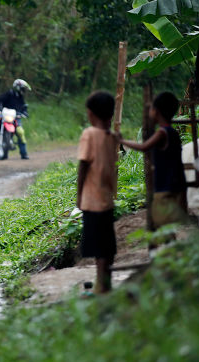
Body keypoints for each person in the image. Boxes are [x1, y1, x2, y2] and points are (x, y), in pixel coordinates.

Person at [117, 91, 188, 232]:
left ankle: (169, 248)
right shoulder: (172, 132)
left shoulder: (162, 133)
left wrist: (121, 140)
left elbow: (144, 147)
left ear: (156, 111)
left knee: (163, 223)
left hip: (165, 185)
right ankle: (170, 246)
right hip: (176, 183)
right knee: (168, 224)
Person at [77, 91, 118, 294]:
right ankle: (106, 282)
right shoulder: (112, 137)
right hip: (107, 200)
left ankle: (101, 285)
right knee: (107, 245)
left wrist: (78, 194)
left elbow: (83, 164)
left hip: (92, 200)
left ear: (91, 114)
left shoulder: (89, 134)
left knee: (98, 247)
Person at [0, 79, 31, 159]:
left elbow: (23, 107)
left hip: (15, 117)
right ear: (18, 88)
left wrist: (24, 112)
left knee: (20, 132)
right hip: (4, 114)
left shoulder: (20, 97)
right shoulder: (8, 94)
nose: (23, 91)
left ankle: (24, 153)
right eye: (23, 89)